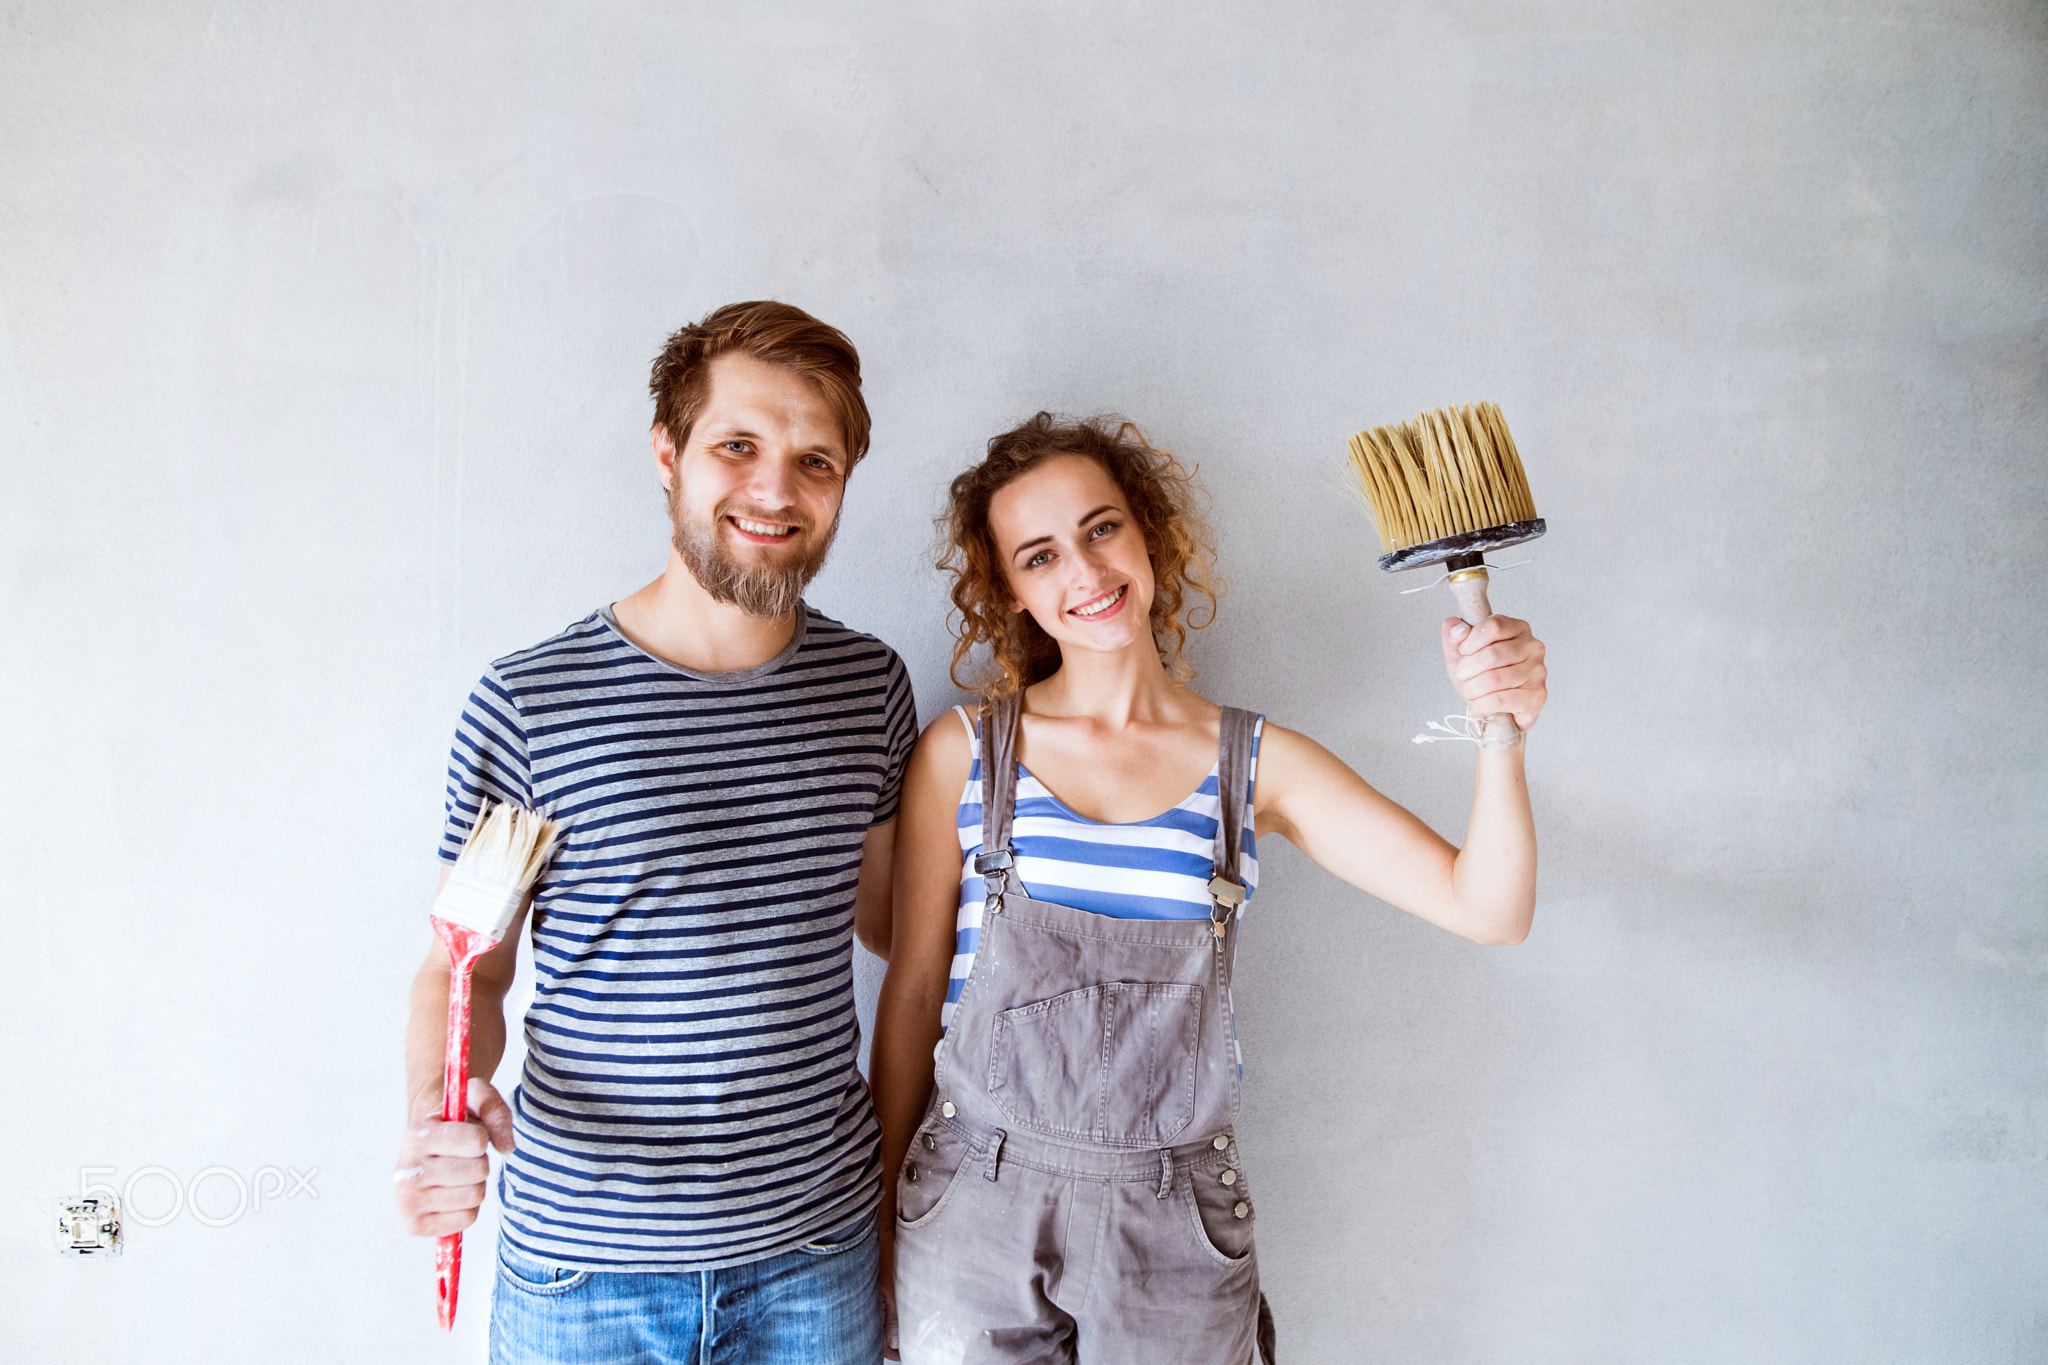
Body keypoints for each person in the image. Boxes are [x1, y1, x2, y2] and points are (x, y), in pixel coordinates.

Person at [871, 413, 1547, 1365]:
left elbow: (1492, 909)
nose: (1085, 572)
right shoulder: (967, 750)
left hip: (1171, 1230)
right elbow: (908, 997)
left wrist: (1502, 728)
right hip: (969, 1201)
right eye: (1040, 555)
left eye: (1102, 528)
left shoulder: (1252, 766)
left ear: (1147, 531)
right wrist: (884, 1221)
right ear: (1010, 592)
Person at [393, 301, 916, 1364]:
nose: (775, 490)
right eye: (738, 447)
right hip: (585, 1273)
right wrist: (434, 1115)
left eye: (815, 462)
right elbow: (465, 973)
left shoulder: (869, 689)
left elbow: (891, 930)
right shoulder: (532, 703)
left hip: (817, 1255)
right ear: (667, 455)